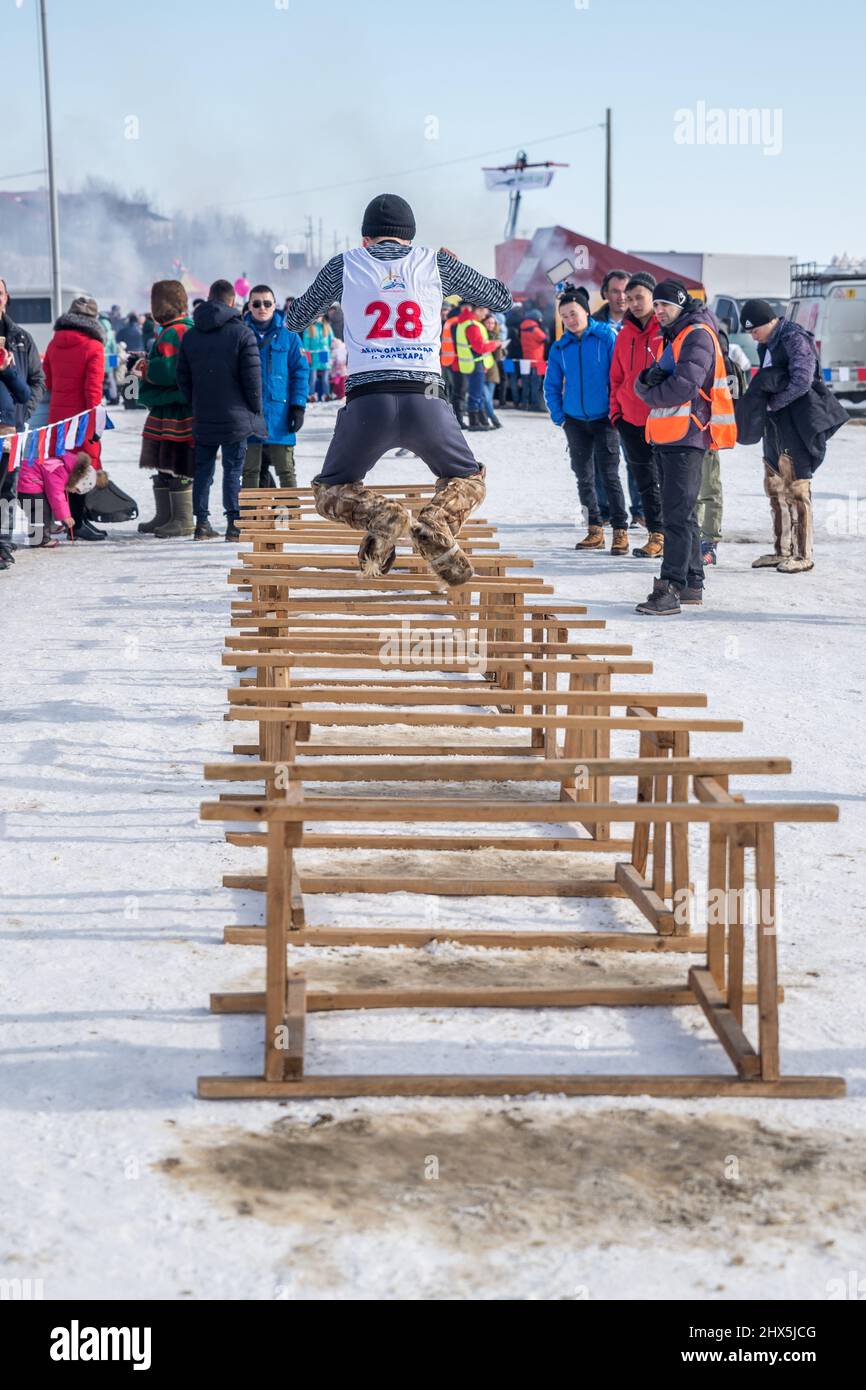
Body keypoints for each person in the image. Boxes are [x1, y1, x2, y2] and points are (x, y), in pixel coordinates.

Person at [284, 192, 511, 585]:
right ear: (409, 237)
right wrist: (456, 267)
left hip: (366, 401)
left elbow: (295, 319)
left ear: (366, 238)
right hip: (426, 398)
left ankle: (382, 517)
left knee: (331, 490)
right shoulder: (434, 263)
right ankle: (436, 522)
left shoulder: (344, 265)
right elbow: (500, 299)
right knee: (468, 479)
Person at [633, 279, 736, 615]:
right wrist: (648, 385)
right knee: (684, 513)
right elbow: (647, 376)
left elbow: (682, 387)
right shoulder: (678, 336)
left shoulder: (697, 335)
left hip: (687, 436)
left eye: (664, 305)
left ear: (680, 305)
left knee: (676, 515)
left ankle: (671, 587)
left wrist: (648, 391)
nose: (658, 311)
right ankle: (692, 581)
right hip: (672, 435)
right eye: (657, 305)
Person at [739, 299, 840, 574]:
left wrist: (772, 404)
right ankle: (781, 550)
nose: (752, 335)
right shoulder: (766, 344)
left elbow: (802, 380)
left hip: (797, 422)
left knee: (797, 486)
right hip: (774, 424)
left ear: (768, 321)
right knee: (774, 484)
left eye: (754, 329)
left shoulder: (794, 338)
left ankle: (803, 554)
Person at [176, 279, 266, 541]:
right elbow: (253, 380)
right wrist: (255, 410)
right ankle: (233, 524)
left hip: (203, 414)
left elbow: (182, 377)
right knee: (233, 470)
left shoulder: (191, 335)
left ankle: (201, 524)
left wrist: (195, 400)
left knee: (203, 470)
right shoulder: (242, 333)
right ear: (231, 302)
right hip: (236, 417)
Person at [544, 285, 629, 555]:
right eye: (565, 316)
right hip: (575, 421)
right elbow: (551, 385)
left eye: (574, 313)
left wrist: (616, 411)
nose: (570, 319)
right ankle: (594, 529)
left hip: (605, 419)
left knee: (610, 476)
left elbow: (619, 377)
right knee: (584, 477)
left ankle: (620, 531)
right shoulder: (560, 347)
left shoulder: (606, 337)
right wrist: (561, 418)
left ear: (586, 311)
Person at [609, 272, 664, 558]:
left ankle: (672, 534)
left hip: (663, 418)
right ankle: (656, 533)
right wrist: (616, 412)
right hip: (630, 420)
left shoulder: (664, 330)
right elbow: (616, 377)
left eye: (639, 297)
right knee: (644, 480)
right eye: (629, 299)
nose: (633, 303)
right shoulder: (624, 334)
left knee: (667, 479)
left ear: (654, 298)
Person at [135, 280, 196, 538]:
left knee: (175, 460)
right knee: (165, 461)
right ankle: (166, 514)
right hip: (172, 404)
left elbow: (169, 370)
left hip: (174, 407)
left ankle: (182, 518)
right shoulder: (180, 329)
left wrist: (145, 368)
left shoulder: (174, 332)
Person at [241, 284, 309, 491]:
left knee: (286, 470)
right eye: (257, 303)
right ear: (250, 306)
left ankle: (292, 517)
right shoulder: (239, 335)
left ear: (274, 306)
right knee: (250, 470)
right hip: (248, 413)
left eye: (267, 303)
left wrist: (298, 407)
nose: (262, 307)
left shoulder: (289, 336)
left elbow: (301, 372)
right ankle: (252, 518)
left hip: (280, 413)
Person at [42, 296, 105, 469]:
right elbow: (93, 391)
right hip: (83, 419)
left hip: (57, 417)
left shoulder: (54, 343)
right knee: (84, 470)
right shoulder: (94, 346)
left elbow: (47, 381)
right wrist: (96, 423)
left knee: (59, 468)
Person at [16, 449, 109, 547]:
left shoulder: (66, 465)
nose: (73, 492)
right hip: (27, 483)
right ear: (79, 481)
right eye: (76, 490)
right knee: (40, 509)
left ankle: (41, 536)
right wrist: (66, 516)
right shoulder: (59, 471)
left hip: (29, 480)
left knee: (42, 508)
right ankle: (40, 539)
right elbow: (56, 495)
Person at [0, 277, 46, 429]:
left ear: (6, 297)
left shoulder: (22, 338)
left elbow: (38, 379)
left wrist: (24, 412)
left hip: (12, 429)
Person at [453, 300, 496, 431]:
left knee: (477, 394)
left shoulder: (465, 323)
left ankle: (481, 421)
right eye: (485, 312)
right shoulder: (472, 325)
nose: (486, 315)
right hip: (475, 363)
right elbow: (480, 347)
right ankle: (474, 422)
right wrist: (496, 344)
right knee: (475, 394)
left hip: (470, 363)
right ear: (478, 310)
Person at [441, 302, 466, 426]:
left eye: (447, 310)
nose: (445, 312)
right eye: (443, 310)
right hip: (440, 363)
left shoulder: (453, 324)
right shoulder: (437, 324)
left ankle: (456, 418)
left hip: (453, 362)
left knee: (455, 390)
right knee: (443, 390)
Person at [519, 307, 548, 411]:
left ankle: (525, 404)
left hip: (525, 359)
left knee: (526, 383)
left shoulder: (522, 328)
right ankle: (535, 405)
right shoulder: (535, 329)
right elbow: (545, 339)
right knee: (536, 384)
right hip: (538, 360)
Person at [302, 316, 333, 400]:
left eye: (320, 315)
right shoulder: (309, 328)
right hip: (314, 354)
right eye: (317, 316)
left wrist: (331, 354)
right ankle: (311, 395)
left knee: (325, 377)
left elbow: (331, 341)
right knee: (313, 378)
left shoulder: (327, 327)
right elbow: (306, 344)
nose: (318, 317)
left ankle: (326, 395)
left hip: (324, 354)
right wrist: (308, 357)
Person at [482, 312, 504, 428]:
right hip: (480, 369)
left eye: (492, 323)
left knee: (488, 398)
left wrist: (499, 348)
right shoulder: (481, 334)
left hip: (491, 371)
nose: (490, 325)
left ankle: (488, 419)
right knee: (485, 398)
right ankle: (493, 419)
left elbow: (498, 358)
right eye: (488, 323)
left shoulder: (497, 336)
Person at [330, 334, 347, 400]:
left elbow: (332, 360)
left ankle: (341, 394)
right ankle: (340, 394)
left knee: (338, 385)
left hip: (337, 372)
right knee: (340, 384)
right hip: (342, 371)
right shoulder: (343, 349)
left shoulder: (335, 351)